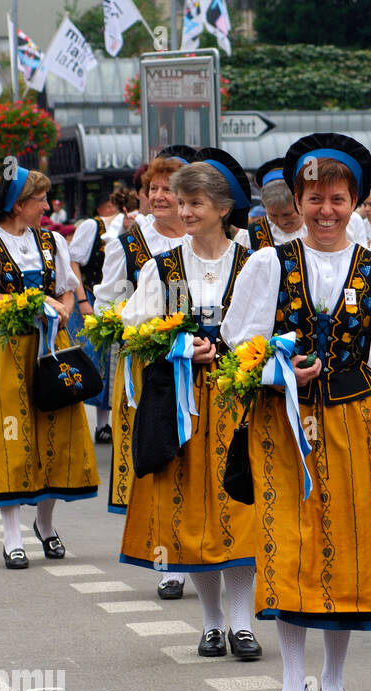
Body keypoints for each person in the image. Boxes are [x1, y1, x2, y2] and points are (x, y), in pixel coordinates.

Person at [223, 133, 371, 691]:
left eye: (337, 199)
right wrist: (278, 366)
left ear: (354, 201)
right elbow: (240, 347)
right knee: (289, 546)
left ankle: (334, 680)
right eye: (314, 199)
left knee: (347, 553)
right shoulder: (267, 264)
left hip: (356, 421)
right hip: (282, 426)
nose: (325, 211)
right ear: (295, 200)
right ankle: (292, 684)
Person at [118, 150, 262, 660]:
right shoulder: (167, 267)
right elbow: (136, 327)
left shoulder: (252, 262)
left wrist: (233, 353)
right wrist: (181, 346)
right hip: (183, 402)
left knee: (239, 504)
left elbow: (273, 327)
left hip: (240, 398)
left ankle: (243, 621)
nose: (184, 211)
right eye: (181, 202)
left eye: (195, 202)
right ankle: (211, 621)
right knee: (194, 508)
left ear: (223, 207)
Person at [0, 167, 96, 568]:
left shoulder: (51, 240)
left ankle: (46, 524)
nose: (47, 206)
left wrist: (59, 312)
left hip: (50, 349)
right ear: (19, 205)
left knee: (57, 432)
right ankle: (12, 536)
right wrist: (32, 305)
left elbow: (66, 291)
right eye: (41, 200)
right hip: (2, 351)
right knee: (11, 438)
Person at [94, 148, 192, 600]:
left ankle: (203, 550)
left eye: (167, 190)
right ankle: (167, 563)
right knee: (158, 456)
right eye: (152, 189)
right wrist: (143, 329)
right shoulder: (129, 245)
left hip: (198, 362)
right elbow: (107, 305)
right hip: (148, 364)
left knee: (196, 457)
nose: (158, 196)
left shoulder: (202, 241)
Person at [68, 192, 121, 444]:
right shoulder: (93, 226)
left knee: (109, 359)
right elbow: (73, 262)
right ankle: (76, 416)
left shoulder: (139, 229)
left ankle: (104, 425)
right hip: (89, 298)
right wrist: (82, 300)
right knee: (89, 357)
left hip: (116, 301)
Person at [247, 158, 368, 250]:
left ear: (299, 202)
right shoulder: (253, 234)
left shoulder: (343, 224)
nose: (282, 222)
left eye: (287, 214)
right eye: (273, 215)